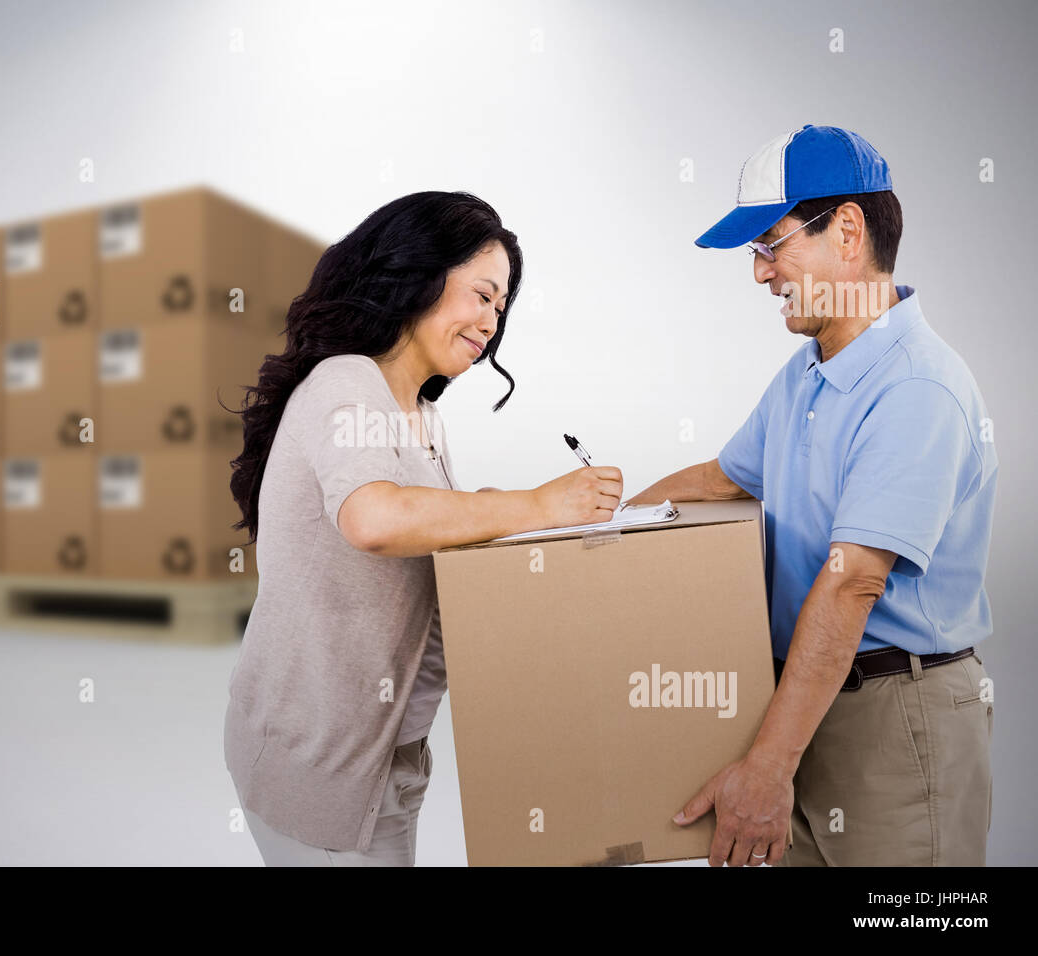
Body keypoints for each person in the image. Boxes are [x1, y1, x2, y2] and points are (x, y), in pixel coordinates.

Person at [630, 125, 997, 867]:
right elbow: (721, 479)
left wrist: (767, 764)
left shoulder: (914, 386)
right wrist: (598, 530)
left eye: (771, 244)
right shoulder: (808, 373)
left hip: (897, 719)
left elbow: (854, 579)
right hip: (804, 707)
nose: (760, 274)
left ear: (849, 231)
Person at [223, 191, 624, 865]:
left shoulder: (417, 414)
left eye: (502, 307)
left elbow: (422, 531)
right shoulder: (348, 382)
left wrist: (499, 520)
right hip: (316, 766)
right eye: (482, 294)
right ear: (418, 274)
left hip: (385, 763)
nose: (492, 321)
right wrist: (536, 505)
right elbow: (376, 518)